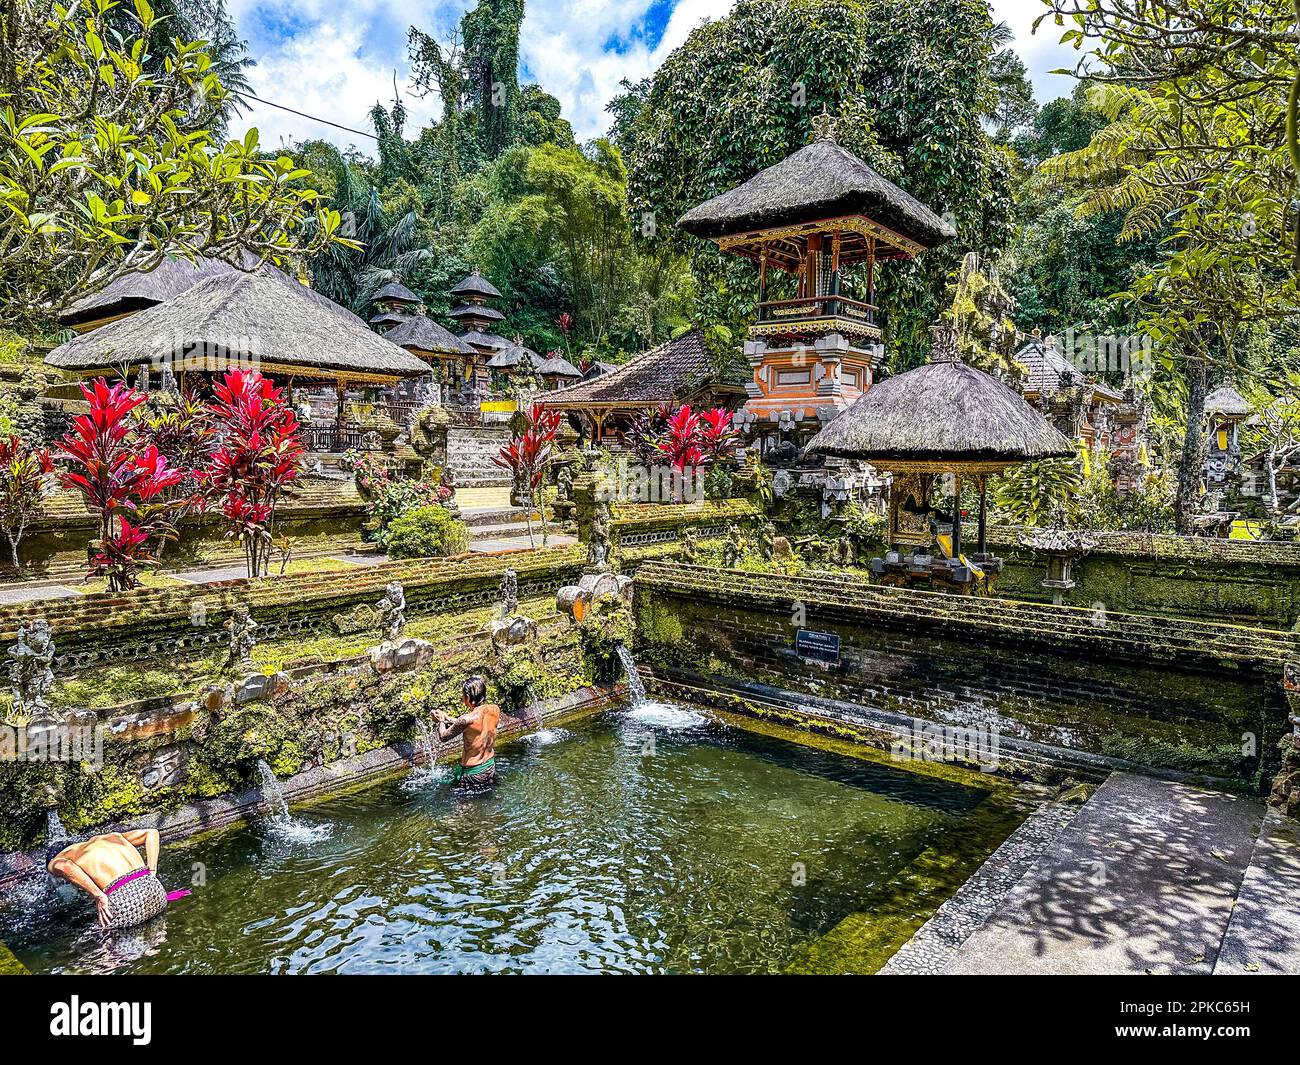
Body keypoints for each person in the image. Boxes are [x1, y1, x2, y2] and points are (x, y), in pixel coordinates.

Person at [46, 829, 186, 930]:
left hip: (125, 904)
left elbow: (64, 866)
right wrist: (152, 873)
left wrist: (99, 895)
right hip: (157, 893)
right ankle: (157, 939)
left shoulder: (59, 858)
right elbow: (152, 833)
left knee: (97, 939)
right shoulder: (110, 837)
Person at [432, 675, 501, 793]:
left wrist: (441, 720)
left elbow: (443, 737)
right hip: (490, 768)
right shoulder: (495, 709)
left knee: (463, 809)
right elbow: (472, 727)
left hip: (473, 774)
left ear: (468, 697)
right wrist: (448, 718)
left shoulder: (466, 719)